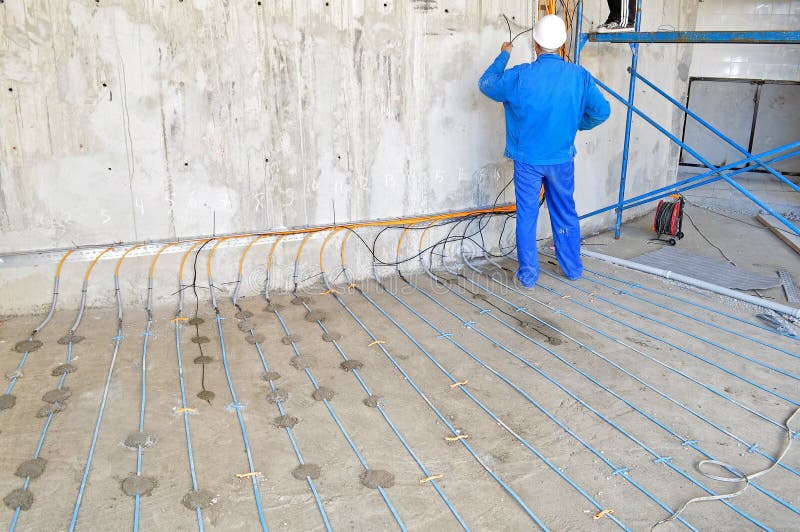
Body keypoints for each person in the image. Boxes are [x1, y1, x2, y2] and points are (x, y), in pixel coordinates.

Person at [478, 14, 610, 288]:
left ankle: (528, 275)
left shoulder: (520, 76)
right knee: (564, 212)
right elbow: (602, 111)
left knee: (527, 214)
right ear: (562, 45)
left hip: (528, 161)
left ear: (535, 43)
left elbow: (487, 83)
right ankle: (572, 269)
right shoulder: (579, 76)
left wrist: (504, 54)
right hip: (561, 159)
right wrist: (576, 125)